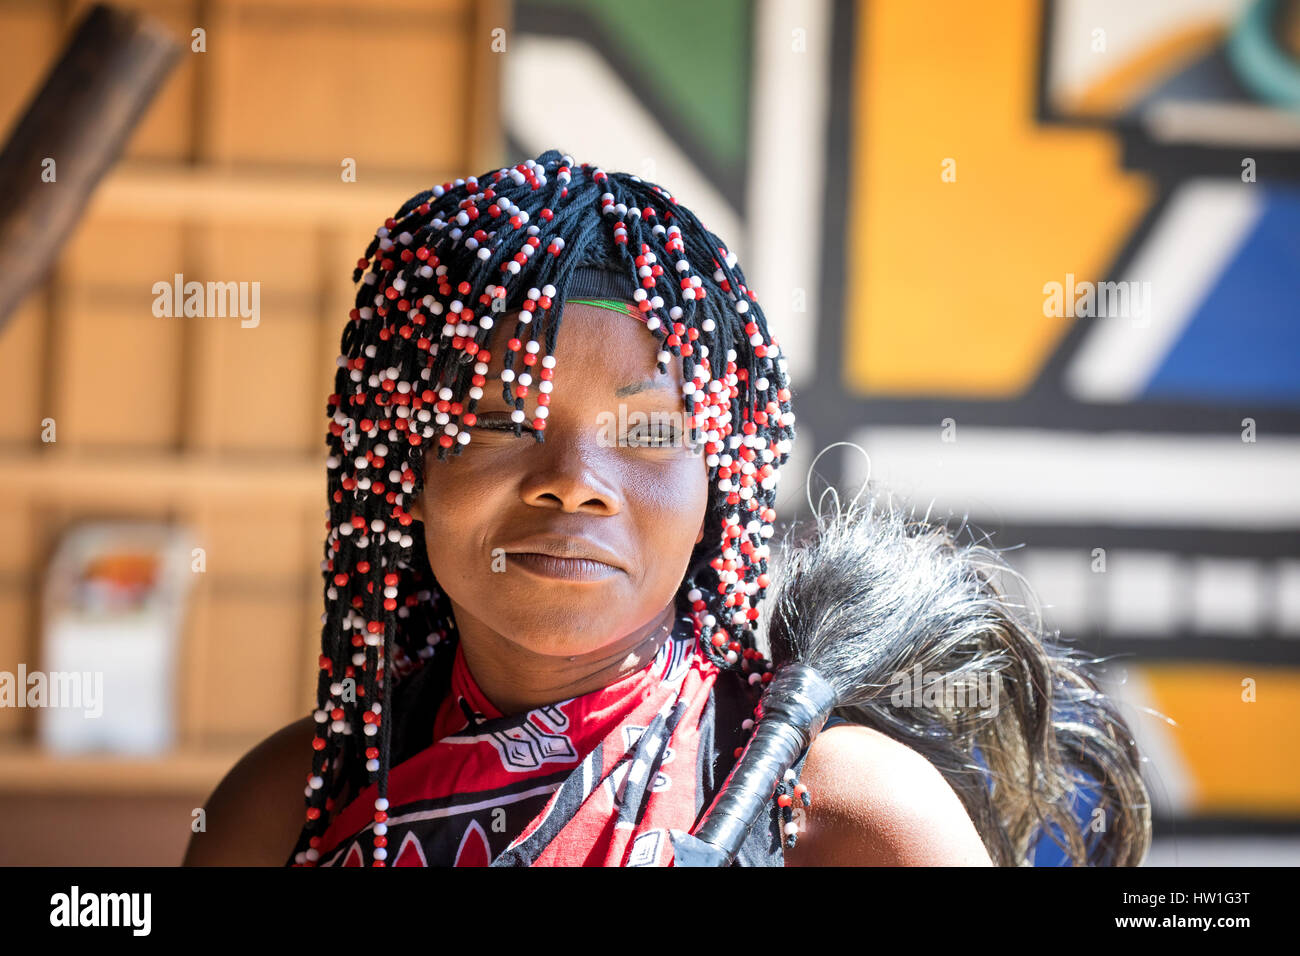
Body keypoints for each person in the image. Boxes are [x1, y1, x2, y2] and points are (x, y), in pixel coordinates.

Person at [183, 150, 1149, 867]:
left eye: (646, 433)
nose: (575, 477)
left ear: (717, 489)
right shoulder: (279, 813)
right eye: (496, 422)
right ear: (402, 469)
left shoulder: (843, 819)